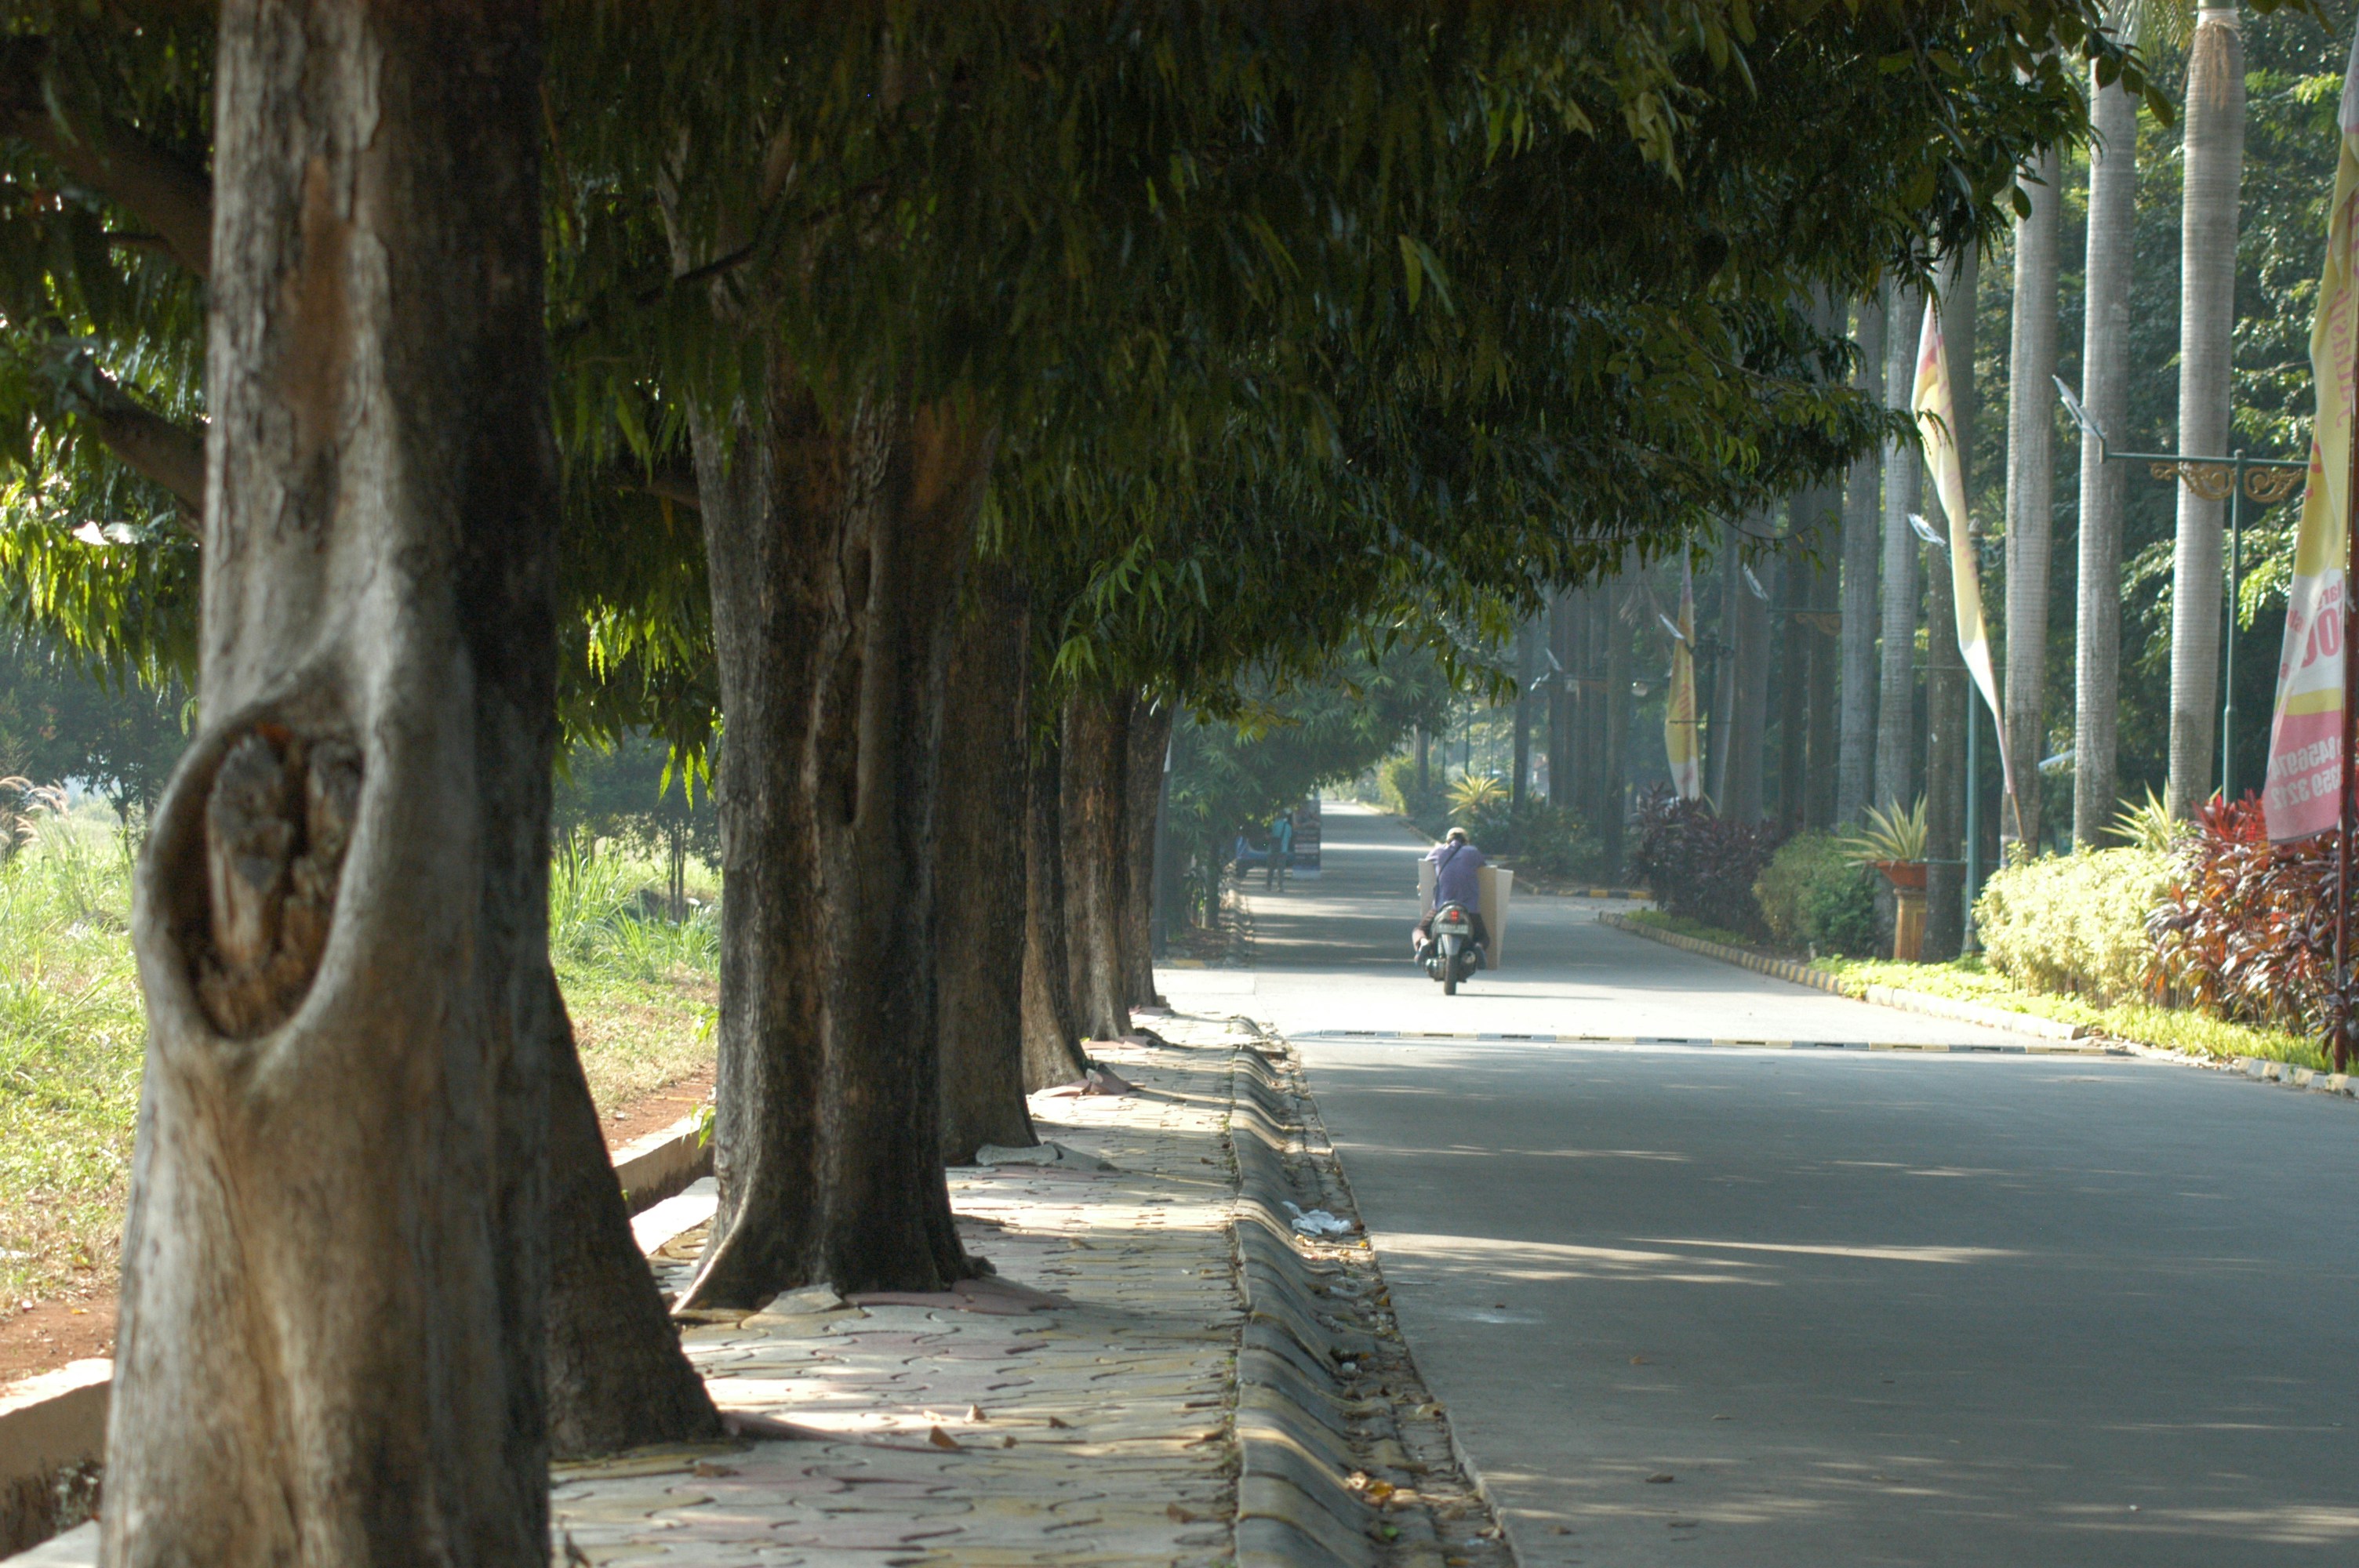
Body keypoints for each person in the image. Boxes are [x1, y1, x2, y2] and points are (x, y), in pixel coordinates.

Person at [1414, 826, 1490, 960]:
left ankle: (1424, 942)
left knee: (1420, 930)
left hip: (1441, 906)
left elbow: (1425, 871)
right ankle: (1478, 947)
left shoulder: (1437, 851)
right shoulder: (1473, 852)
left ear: (1448, 839)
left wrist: (1421, 886)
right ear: (1466, 840)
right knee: (1483, 937)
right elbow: (1485, 870)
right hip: (1469, 908)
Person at [1266, 809, 1296, 890]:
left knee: (1271, 869)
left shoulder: (1275, 824)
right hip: (1283, 850)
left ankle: (1269, 886)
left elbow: (1272, 835)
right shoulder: (1288, 827)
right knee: (1281, 870)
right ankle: (1280, 886)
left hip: (1273, 849)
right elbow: (1289, 838)